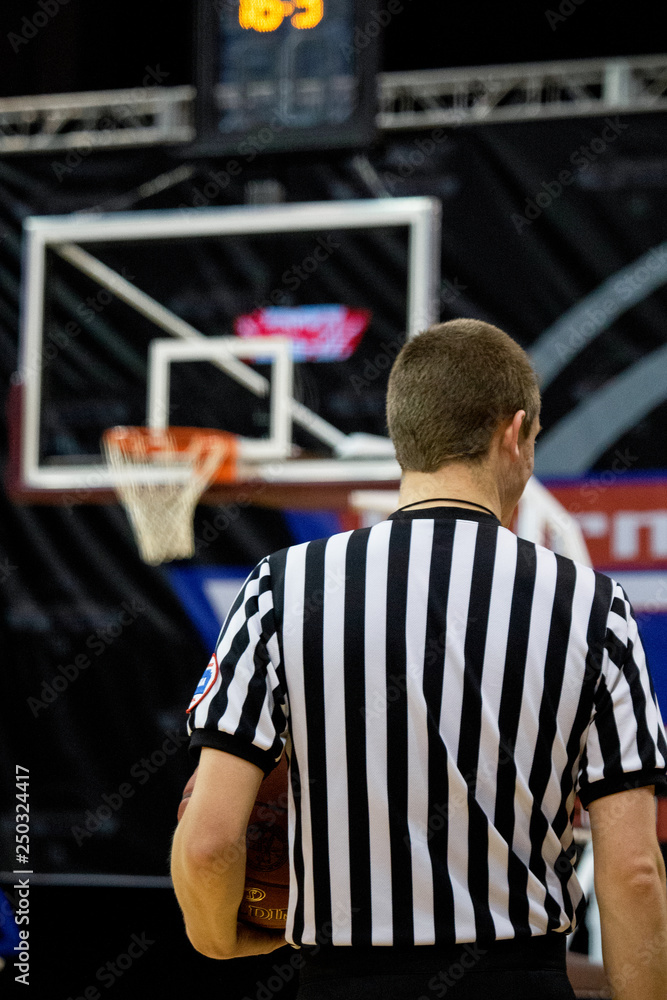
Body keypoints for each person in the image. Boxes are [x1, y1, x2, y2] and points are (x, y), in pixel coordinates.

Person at [171, 318, 667, 999]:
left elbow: (207, 844)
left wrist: (217, 937)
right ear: (514, 434)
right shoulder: (592, 604)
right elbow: (634, 871)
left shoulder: (281, 588)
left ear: (404, 436)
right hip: (516, 982)